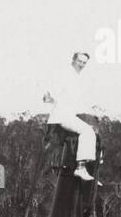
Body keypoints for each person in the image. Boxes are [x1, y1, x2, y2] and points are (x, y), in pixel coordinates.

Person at [43, 51, 100, 181]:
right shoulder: (66, 74)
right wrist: (49, 97)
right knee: (88, 132)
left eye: (84, 63)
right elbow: (53, 91)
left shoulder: (76, 77)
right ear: (73, 60)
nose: (82, 64)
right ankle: (80, 168)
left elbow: (78, 102)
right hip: (62, 116)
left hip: (69, 115)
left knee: (94, 134)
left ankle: (91, 171)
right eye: (79, 61)